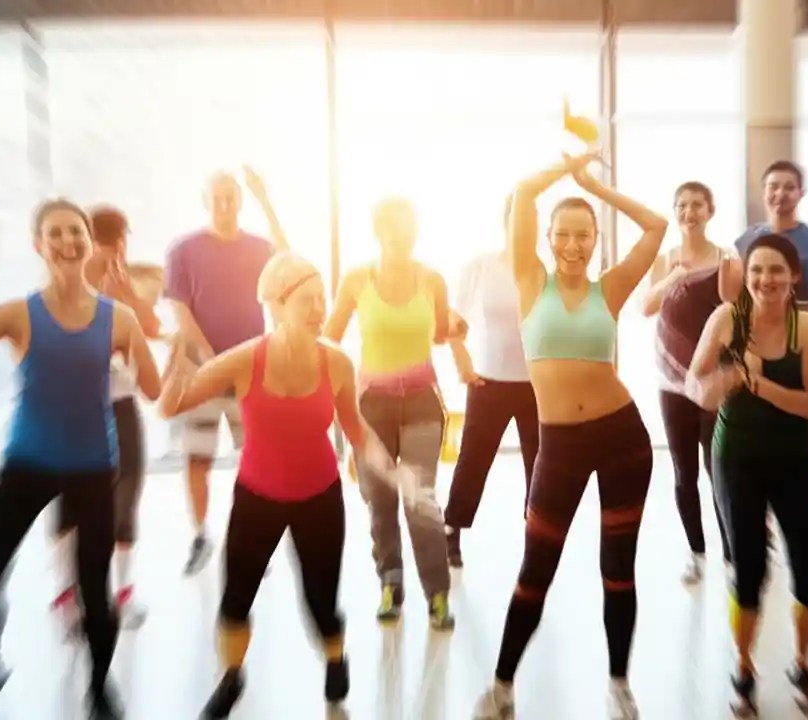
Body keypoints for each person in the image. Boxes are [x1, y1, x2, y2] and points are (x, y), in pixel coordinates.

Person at [0, 199, 161, 718]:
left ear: (89, 242)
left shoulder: (117, 317)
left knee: (93, 588)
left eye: (75, 231)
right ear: (39, 245)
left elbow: (151, 389)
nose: (67, 241)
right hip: (27, 463)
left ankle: (98, 690)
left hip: (91, 465)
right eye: (55, 233)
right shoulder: (17, 312)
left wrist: (134, 313)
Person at [472, 150, 668, 720]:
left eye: (585, 235)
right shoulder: (531, 281)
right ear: (549, 238)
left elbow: (655, 226)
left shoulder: (611, 289)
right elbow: (523, 194)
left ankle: (619, 683)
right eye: (564, 233)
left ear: (595, 242)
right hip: (558, 445)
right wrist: (565, 171)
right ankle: (503, 685)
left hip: (622, 438)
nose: (574, 244)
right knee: (537, 566)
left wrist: (594, 187)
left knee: (617, 568)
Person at [161, 252, 391, 719]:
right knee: (234, 599)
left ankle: (334, 656)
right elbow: (173, 404)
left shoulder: (338, 363)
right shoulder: (246, 359)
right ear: (278, 306)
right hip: (257, 500)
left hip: (319, 500)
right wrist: (173, 367)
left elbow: (356, 430)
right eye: (307, 300)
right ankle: (232, 677)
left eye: (321, 300)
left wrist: (398, 475)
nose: (318, 310)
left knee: (320, 601)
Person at [686, 232, 808, 717]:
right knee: (748, 571)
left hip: (792, 458)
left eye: (776, 271)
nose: (766, 280)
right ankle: (744, 667)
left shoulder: (807, 328)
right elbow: (694, 381)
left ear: (794, 278)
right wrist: (719, 383)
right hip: (737, 458)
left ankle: (802, 664)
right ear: (745, 278)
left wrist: (756, 381)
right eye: (756, 271)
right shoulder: (727, 318)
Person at [324, 197, 455, 629]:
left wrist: (460, 331)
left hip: (421, 401)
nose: (402, 236)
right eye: (393, 228)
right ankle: (390, 585)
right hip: (371, 406)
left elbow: (439, 332)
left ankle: (437, 593)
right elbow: (330, 338)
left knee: (419, 499)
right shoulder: (357, 279)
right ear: (377, 232)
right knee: (379, 501)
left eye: (409, 228)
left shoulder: (433, 279)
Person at [164, 169, 285, 575]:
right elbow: (179, 307)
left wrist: (267, 201)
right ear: (205, 201)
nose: (223, 204)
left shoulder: (257, 247)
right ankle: (201, 535)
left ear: (240, 201)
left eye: (231, 197)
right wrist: (209, 358)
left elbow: (289, 263)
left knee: (252, 459)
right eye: (216, 197)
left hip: (249, 371)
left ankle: (248, 538)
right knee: (197, 457)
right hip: (200, 373)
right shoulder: (183, 249)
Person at [733, 160, 808, 571]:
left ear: (801, 193)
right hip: (756, 362)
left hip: (805, 358)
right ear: (764, 193)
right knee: (754, 453)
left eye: (788, 187)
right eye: (773, 186)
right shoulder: (745, 240)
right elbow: (732, 298)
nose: (780, 194)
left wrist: (796, 310)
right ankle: (757, 540)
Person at [51, 206, 160, 630]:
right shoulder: (67, 286)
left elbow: (148, 330)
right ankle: (69, 596)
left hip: (119, 399)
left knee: (127, 488)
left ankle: (119, 593)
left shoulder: (126, 282)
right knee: (76, 499)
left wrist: (128, 296)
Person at [641, 181, 738, 582]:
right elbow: (646, 306)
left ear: (710, 211)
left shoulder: (726, 262)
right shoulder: (664, 260)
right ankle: (696, 553)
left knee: (719, 470)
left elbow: (736, 320)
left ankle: (733, 555)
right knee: (684, 474)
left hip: (712, 383)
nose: (689, 212)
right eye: (681, 205)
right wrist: (671, 279)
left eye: (697, 204)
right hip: (670, 383)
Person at [443, 198, 539, 568]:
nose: (523, 226)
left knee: (540, 462)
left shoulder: (543, 273)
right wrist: (463, 363)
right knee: (473, 459)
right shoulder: (482, 267)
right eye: (517, 218)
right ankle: (452, 528)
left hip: (535, 384)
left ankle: (537, 531)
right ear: (505, 221)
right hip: (488, 382)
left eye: (530, 219)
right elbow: (452, 322)